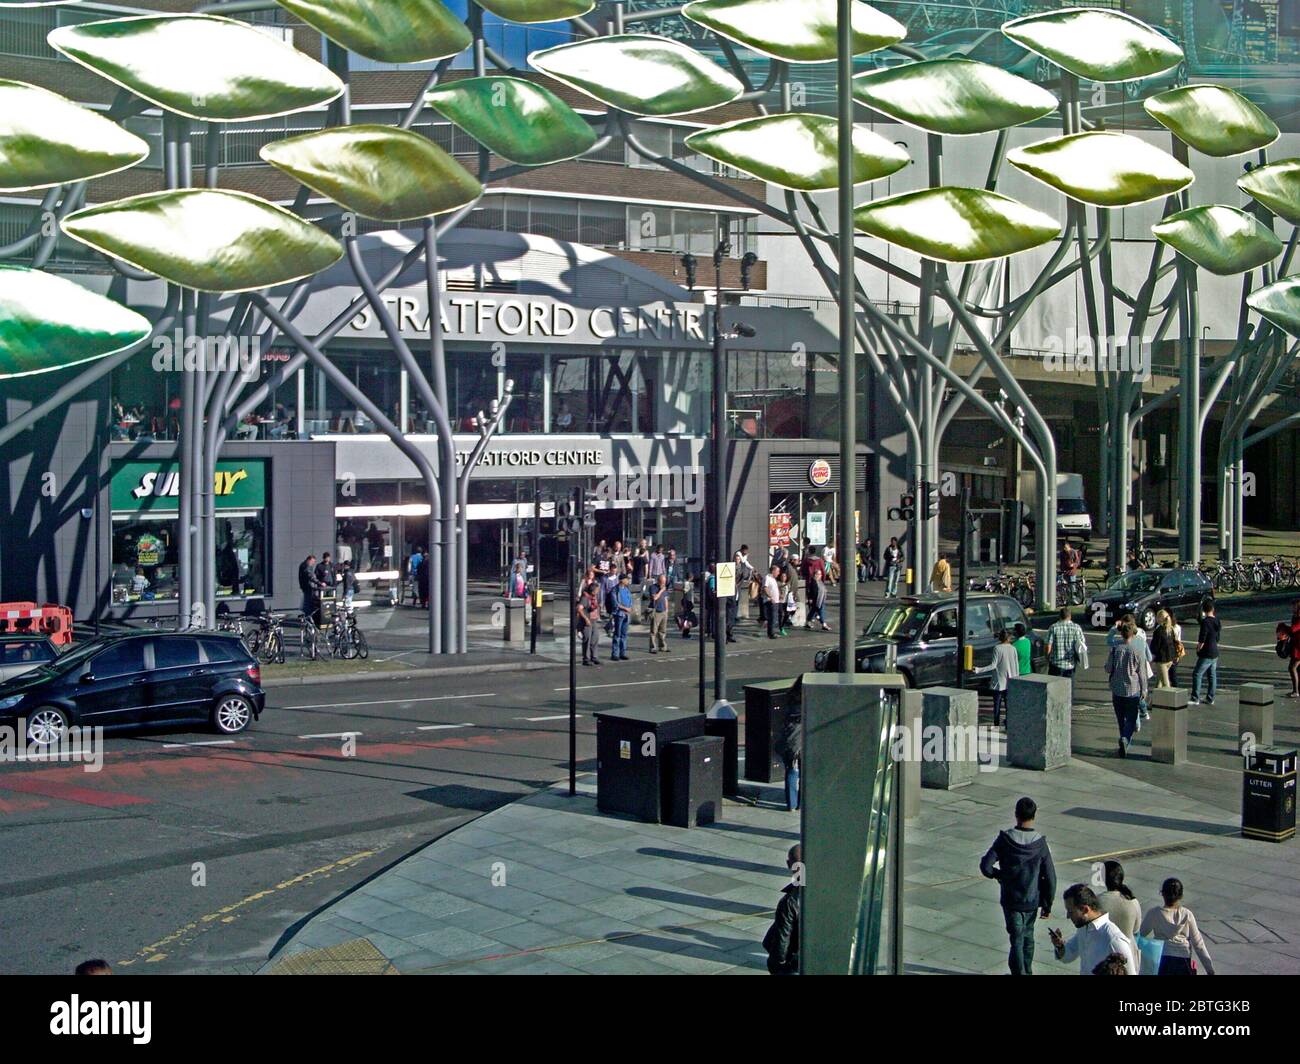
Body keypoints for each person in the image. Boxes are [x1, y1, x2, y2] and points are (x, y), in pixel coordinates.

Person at [980, 796, 1056, 976]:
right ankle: (1027, 971)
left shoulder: (1005, 840)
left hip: (1011, 900)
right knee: (1028, 937)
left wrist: (1000, 876)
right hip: (1031, 900)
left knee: (1016, 939)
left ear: (1016, 815)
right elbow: (1051, 877)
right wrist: (1047, 903)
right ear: (1034, 815)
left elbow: (985, 866)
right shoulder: (1040, 844)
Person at [1050, 884, 1138, 975]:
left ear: (1085, 910)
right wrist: (1059, 946)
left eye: (1071, 911)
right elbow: (1069, 955)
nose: (1068, 916)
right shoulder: (1083, 929)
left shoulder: (1114, 939)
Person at [1139, 877, 1216, 975]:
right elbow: (1198, 945)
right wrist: (1210, 970)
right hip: (1183, 960)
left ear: (1162, 894)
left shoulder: (1154, 913)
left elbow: (1140, 934)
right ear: (1181, 895)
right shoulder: (1187, 914)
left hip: (1162, 958)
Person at [1105, 620, 1148, 758]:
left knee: (1120, 717)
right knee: (1131, 717)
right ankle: (1125, 738)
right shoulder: (1137, 651)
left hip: (1117, 688)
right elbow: (1142, 672)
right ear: (1132, 635)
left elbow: (1107, 668)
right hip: (1132, 688)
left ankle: (1123, 738)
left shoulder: (1116, 649)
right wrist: (1144, 690)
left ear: (1122, 635)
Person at [763, 844, 803, 975]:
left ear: (788, 864)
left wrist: (777, 968)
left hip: (796, 965)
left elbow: (781, 942)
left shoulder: (789, 902)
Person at [1097, 860, 1142, 958]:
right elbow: (1136, 929)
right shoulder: (1133, 901)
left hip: (1105, 955)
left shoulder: (1098, 901)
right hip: (1128, 954)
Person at [976, 629, 1020, 727]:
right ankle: (1008, 723)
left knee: (997, 705)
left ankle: (996, 724)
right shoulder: (1013, 648)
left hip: (999, 682)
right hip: (1010, 681)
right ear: (1009, 638)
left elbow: (993, 665)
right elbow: (1016, 665)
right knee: (1008, 705)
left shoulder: (997, 648)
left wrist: (979, 670)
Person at [1189, 600, 1221, 705]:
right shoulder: (1217, 620)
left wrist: (1198, 648)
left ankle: (1195, 697)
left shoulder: (1205, 622)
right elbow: (1217, 637)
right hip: (1215, 651)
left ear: (1204, 610)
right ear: (1213, 609)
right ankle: (1210, 697)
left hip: (1207, 652)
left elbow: (1202, 638)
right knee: (1212, 675)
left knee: (1197, 674)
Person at [1046, 607, 1087, 678]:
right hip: (1070, 665)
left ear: (1059, 616)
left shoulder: (1053, 627)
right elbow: (1082, 644)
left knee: (1054, 688)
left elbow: (1048, 646)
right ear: (1070, 616)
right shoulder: (1076, 627)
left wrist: (1047, 658)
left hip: (1056, 665)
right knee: (1069, 687)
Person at [776, 708, 802, 812]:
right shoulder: (808, 717)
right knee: (804, 777)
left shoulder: (788, 719)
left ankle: (791, 804)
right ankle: (801, 804)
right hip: (803, 750)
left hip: (791, 751)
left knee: (791, 773)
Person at [577, 579, 602, 666]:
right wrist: (586, 619)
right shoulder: (585, 598)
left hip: (594, 620)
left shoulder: (595, 597)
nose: (598, 592)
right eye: (597, 590)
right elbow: (579, 609)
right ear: (592, 590)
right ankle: (586, 658)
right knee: (587, 639)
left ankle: (594, 657)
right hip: (587, 621)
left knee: (595, 638)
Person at [1151, 609, 1177, 688]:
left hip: (1162, 660)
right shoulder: (1170, 629)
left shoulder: (1158, 631)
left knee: (1166, 684)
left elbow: (1155, 646)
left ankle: (1166, 700)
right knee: (1159, 682)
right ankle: (1154, 699)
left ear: (1159, 618)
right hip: (1170, 658)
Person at [609, 573, 632, 660]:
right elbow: (615, 603)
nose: (628, 581)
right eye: (626, 579)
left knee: (624, 634)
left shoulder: (626, 589)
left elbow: (630, 599)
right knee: (617, 634)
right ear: (622, 580)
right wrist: (625, 608)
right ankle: (615, 654)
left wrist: (629, 608)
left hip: (627, 614)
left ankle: (623, 653)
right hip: (619, 614)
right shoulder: (615, 590)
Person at [298, 553, 323, 622]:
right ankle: (308, 617)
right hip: (308, 587)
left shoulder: (304, 565)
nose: (313, 563)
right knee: (308, 603)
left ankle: (308, 616)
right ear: (309, 560)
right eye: (313, 562)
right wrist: (319, 583)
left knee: (308, 602)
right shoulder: (306, 566)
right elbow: (310, 576)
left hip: (307, 587)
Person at [648, 573, 669, 654]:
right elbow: (655, 598)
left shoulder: (664, 588)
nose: (663, 584)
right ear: (658, 581)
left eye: (664, 582)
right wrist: (661, 590)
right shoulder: (653, 587)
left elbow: (666, 599)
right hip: (656, 611)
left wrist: (667, 610)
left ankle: (663, 646)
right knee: (654, 631)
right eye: (662, 582)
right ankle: (652, 647)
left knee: (662, 630)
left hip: (663, 611)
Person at [764, 564, 782, 639]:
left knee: (775, 617)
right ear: (773, 571)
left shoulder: (773, 579)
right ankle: (771, 633)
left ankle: (772, 632)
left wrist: (779, 595)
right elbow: (765, 588)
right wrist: (770, 597)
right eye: (777, 571)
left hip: (776, 601)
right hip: (771, 601)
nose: (779, 573)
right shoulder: (767, 578)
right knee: (772, 617)